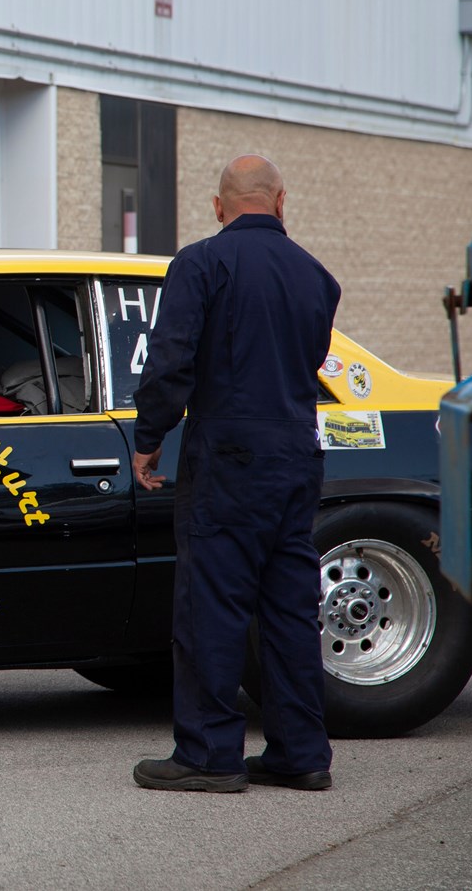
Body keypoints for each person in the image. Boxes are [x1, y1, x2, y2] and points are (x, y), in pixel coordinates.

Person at [130, 155, 341, 793]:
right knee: (289, 610)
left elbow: (171, 362)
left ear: (219, 207)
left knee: (212, 608)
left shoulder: (200, 263)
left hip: (228, 458)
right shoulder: (316, 277)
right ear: (281, 202)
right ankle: (301, 754)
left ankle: (208, 755)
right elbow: (308, 360)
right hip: (297, 455)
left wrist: (148, 438)